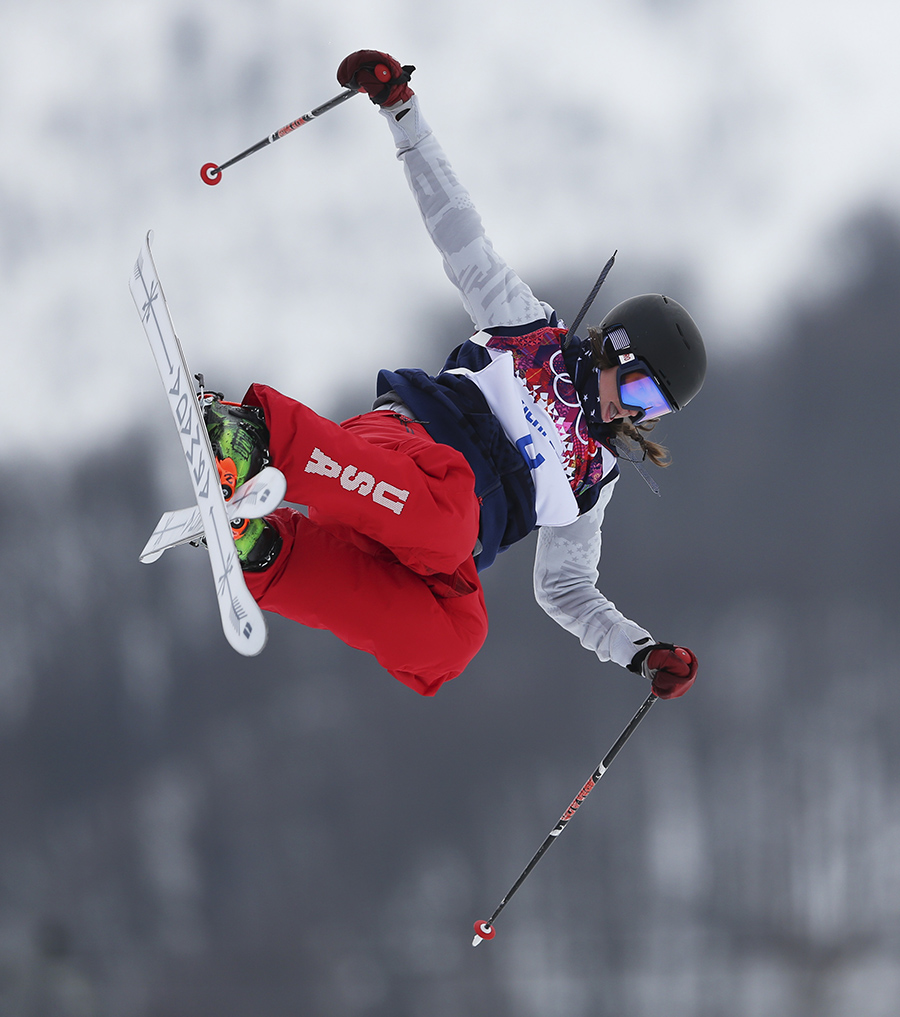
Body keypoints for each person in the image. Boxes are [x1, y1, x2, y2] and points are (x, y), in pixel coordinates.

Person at [202, 49, 706, 700]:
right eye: (637, 389)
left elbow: (566, 589)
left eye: (653, 410)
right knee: (450, 514)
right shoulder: (530, 332)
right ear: (613, 347)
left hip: (434, 546)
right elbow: (458, 230)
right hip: (407, 456)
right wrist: (401, 112)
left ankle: (265, 551)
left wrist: (639, 651)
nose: (633, 415)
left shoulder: (592, 479)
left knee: (455, 638)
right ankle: (254, 438)